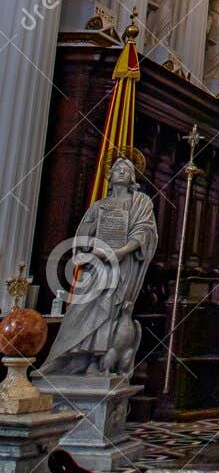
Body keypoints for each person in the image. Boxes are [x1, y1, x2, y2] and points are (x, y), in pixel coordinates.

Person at [40, 158, 158, 379]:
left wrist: (120, 252)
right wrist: (83, 252)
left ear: (132, 177)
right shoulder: (98, 206)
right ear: (110, 177)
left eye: (127, 170)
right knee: (79, 309)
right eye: (117, 170)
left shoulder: (140, 202)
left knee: (111, 311)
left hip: (123, 266)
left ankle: (97, 362)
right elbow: (84, 235)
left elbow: (144, 232)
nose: (122, 172)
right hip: (96, 266)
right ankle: (68, 358)